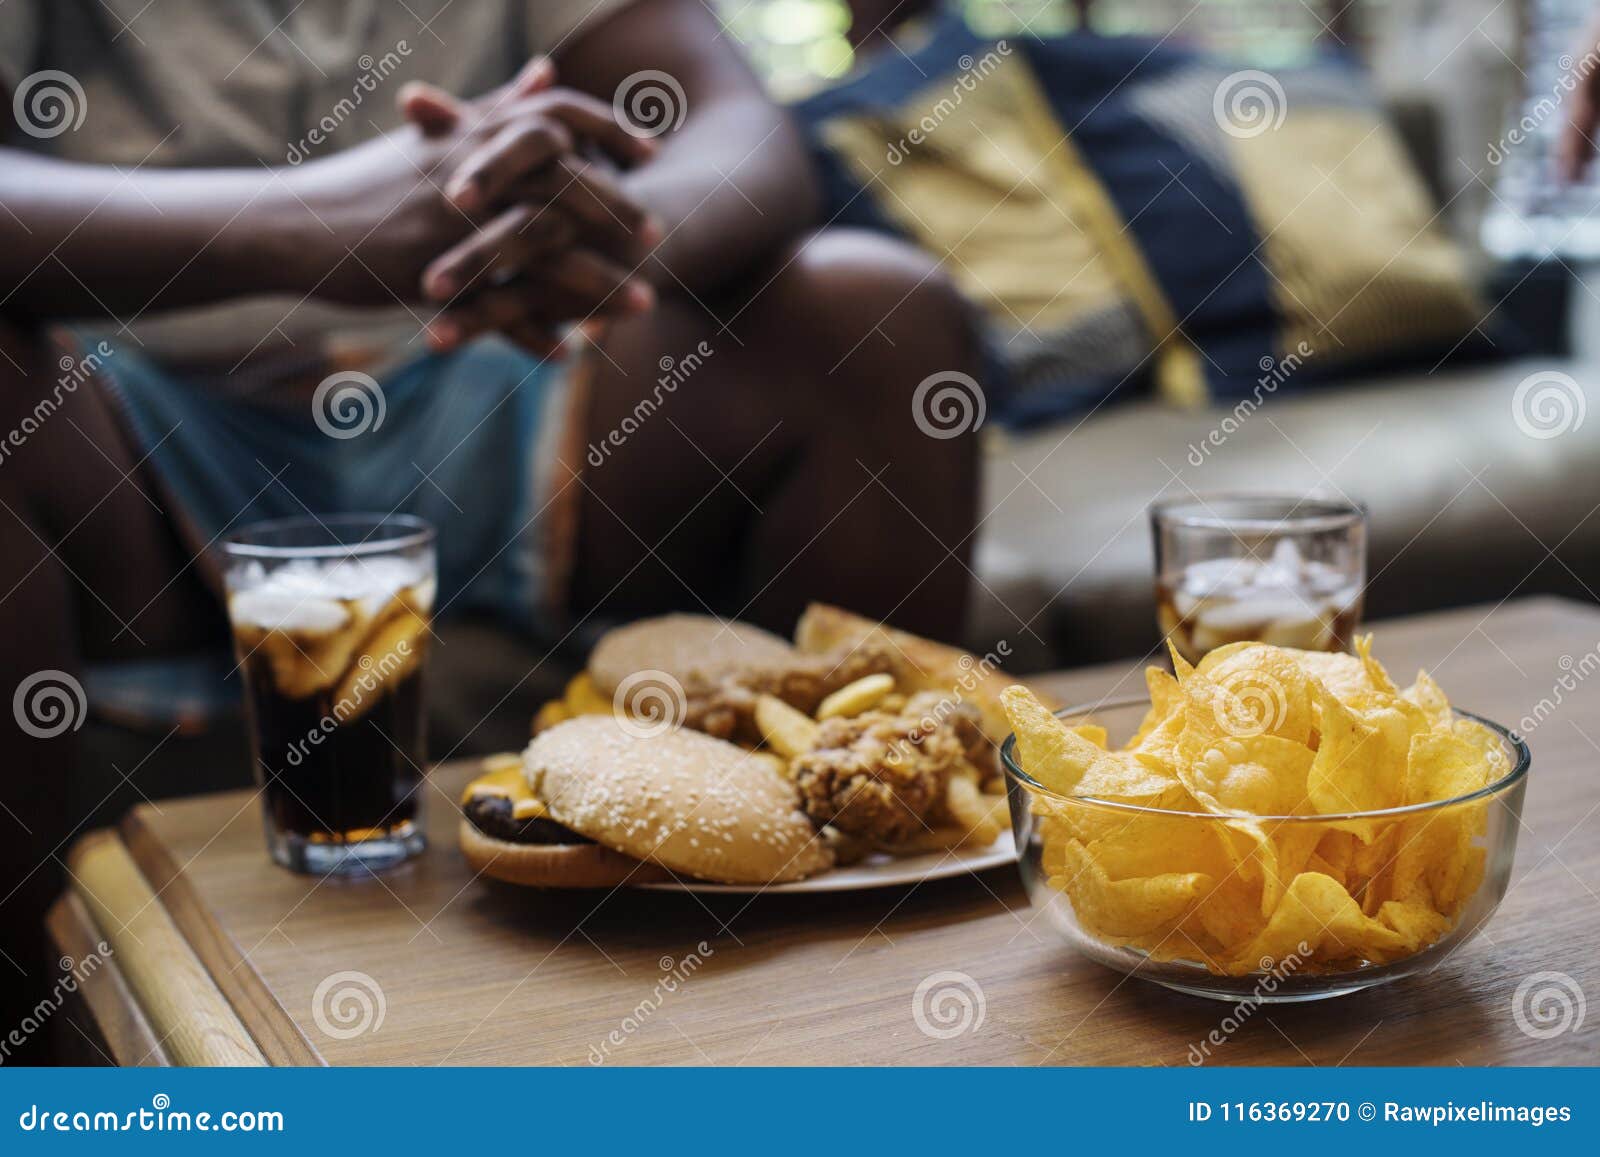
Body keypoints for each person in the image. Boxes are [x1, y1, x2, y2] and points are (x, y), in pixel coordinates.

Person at [0, 0, 981, 1060]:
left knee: (878, 315)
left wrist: (593, 231)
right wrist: (306, 223)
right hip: (128, 420)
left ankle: (864, 993)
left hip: (504, 376)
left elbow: (739, 129)